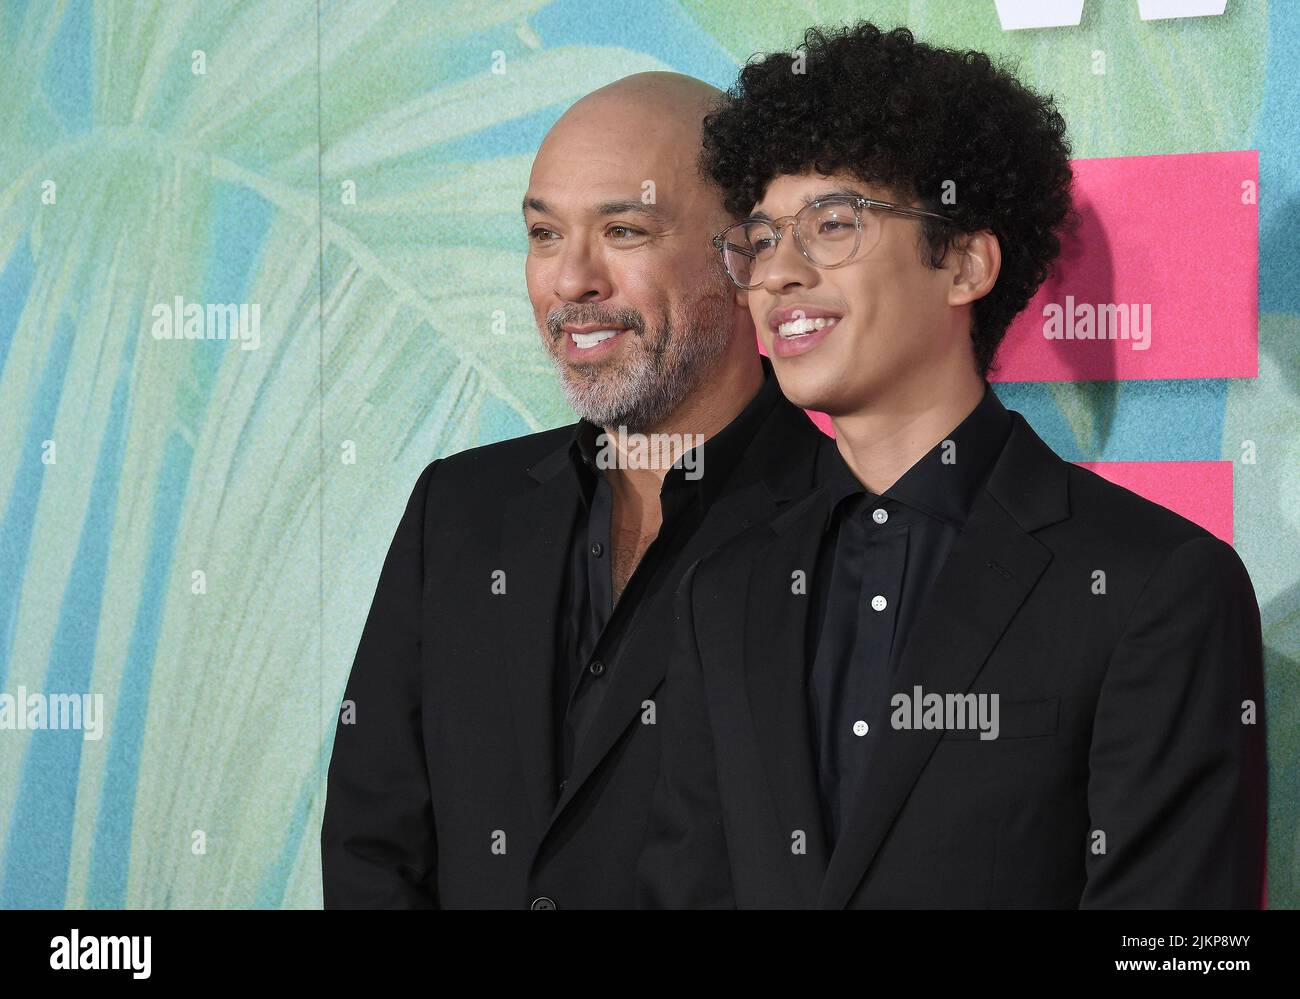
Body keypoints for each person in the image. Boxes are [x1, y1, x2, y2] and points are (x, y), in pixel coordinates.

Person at [636, 23, 1267, 908]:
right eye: (762, 239)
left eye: (832, 225)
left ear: (965, 262)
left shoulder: (1152, 586)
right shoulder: (724, 592)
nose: (777, 274)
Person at [321, 71, 826, 908]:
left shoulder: (847, 526)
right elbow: (374, 842)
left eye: (623, 230)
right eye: (545, 234)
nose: (570, 281)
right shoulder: (458, 511)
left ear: (750, 252)